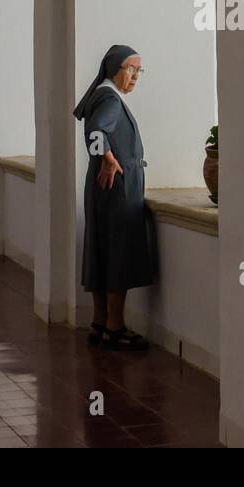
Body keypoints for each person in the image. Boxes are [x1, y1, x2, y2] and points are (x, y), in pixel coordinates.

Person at [73, 44, 154, 350]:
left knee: (102, 247)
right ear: (114, 69)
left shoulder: (104, 95)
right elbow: (96, 131)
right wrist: (108, 159)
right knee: (118, 250)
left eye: (138, 70)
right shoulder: (109, 97)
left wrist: (104, 158)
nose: (134, 76)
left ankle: (99, 322)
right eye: (130, 69)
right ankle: (115, 326)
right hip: (117, 187)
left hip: (103, 187)